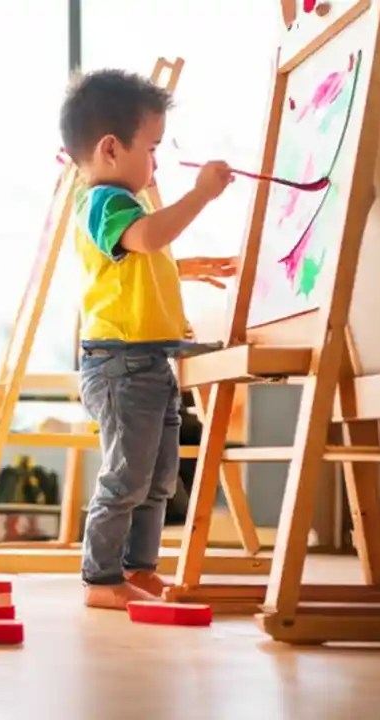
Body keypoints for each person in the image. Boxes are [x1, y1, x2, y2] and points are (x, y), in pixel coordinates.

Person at [60, 69, 237, 610]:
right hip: (120, 366)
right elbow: (149, 237)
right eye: (153, 148)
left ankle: (138, 568)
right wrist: (201, 195)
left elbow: (137, 265)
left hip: (149, 362)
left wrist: (180, 268)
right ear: (111, 149)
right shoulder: (105, 203)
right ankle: (101, 578)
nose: (156, 163)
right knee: (127, 476)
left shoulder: (125, 208)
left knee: (159, 478)